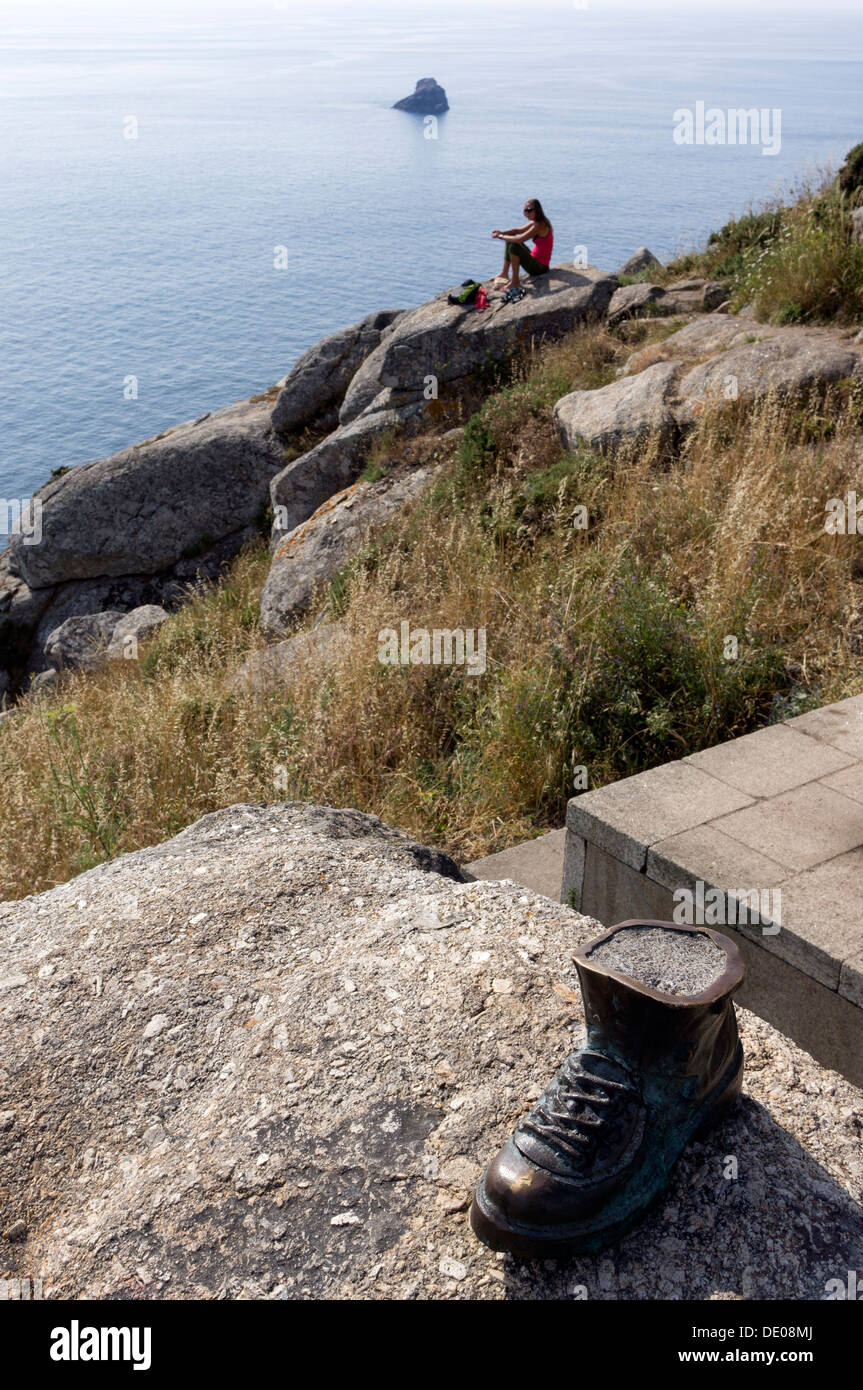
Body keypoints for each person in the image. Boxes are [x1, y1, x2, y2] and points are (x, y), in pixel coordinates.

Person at [490, 200, 554, 289]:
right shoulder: (536, 222)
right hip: (534, 259)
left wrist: (500, 236)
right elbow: (518, 231)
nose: (527, 213)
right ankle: (504, 274)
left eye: (529, 210)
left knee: (514, 246)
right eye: (525, 210)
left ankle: (515, 281)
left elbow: (520, 239)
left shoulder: (540, 225)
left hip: (540, 268)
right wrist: (502, 232)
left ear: (537, 210)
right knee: (510, 238)